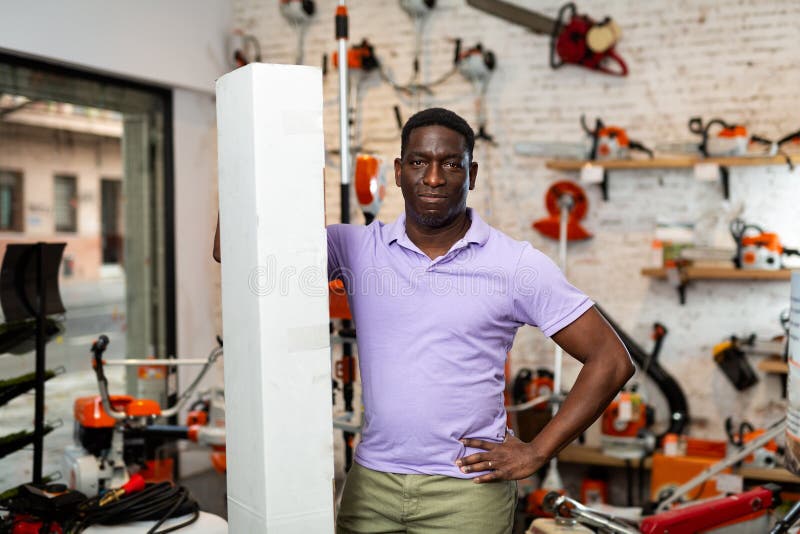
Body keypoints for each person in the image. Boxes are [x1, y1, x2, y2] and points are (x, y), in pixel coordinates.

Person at [214, 108, 633, 533]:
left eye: (451, 164)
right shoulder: (356, 248)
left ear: (471, 175)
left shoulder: (515, 265)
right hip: (371, 486)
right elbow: (233, 251)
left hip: (468, 494)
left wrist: (538, 452)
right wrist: (245, 158)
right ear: (399, 172)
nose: (433, 178)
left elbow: (611, 360)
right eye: (419, 162)